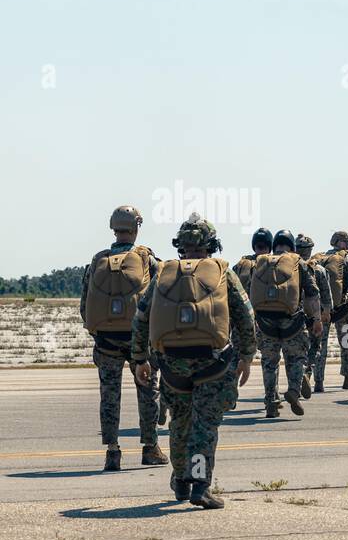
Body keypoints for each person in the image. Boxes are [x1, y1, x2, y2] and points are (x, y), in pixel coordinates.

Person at [130, 215, 255, 509]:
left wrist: (139, 359)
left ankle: (181, 480)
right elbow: (245, 315)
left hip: (173, 365)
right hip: (213, 364)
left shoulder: (164, 272)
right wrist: (247, 355)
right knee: (205, 426)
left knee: (179, 423)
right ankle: (200, 484)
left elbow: (141, 317)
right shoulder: (222, 271)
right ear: (211, 244)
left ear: (180, 245)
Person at [81, 204, 167, 471]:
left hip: (106, 341)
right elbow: (161, 298)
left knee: (109, 394)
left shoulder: (99, 260)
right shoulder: (147, 260)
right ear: (136, 227)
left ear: (114, 228)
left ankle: (112, 451)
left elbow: (85, 305)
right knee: (147, 390)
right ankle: (150, 447)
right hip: (138, 340)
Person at [250, 229, 322, 418]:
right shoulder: (299, 263)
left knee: (269, 363)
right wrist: (316, 319)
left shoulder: (261, 262)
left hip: (265, 322)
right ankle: (293, 391)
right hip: (292, 321)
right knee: (296, 358)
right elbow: (312, 293)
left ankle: (271, 403)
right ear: (292, 246)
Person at [228, 227, 273, 409]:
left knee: (235, 359)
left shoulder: (240, 265)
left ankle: (229, 397)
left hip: (241, 322)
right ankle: (271, 400)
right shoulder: (273, 263)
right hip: (266, 321)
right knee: (269, 361)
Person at [313, 230, 348, 391]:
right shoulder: (347, 259)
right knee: (346, 343)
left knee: (321, 346)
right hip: (343, 309)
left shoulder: (318, 258)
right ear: (340, 242)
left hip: (321, 309)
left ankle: (318, 382)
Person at [294, 234, 333, 400]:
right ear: (310, 250)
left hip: (295, 315)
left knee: (297, 349)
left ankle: (297, 380)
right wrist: (327, 312)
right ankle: (314, 379)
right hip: (314, 314)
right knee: (316, 347)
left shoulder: (289, 267)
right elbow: (326, 294)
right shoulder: (319, 270)